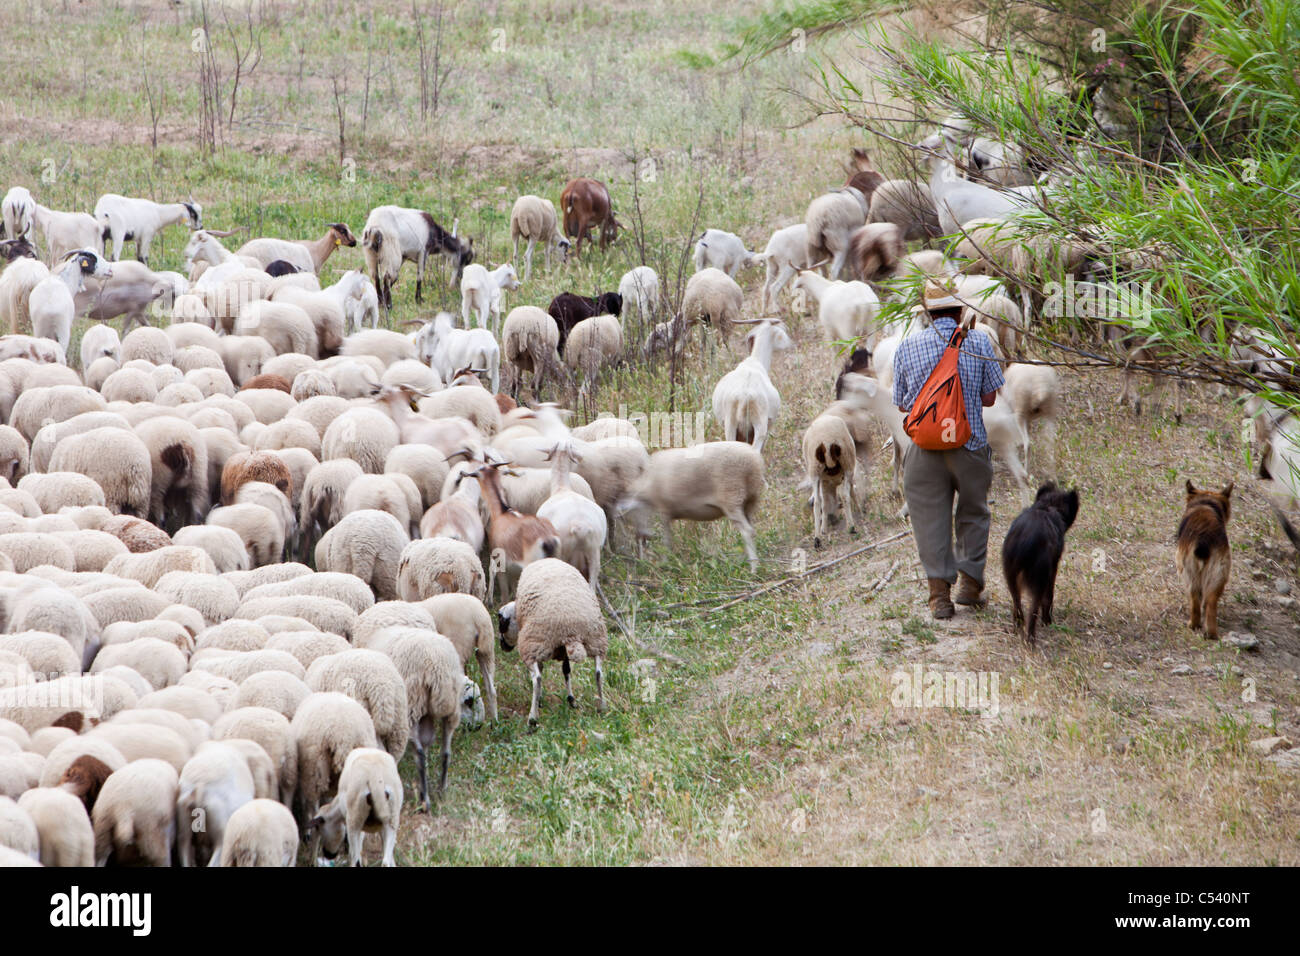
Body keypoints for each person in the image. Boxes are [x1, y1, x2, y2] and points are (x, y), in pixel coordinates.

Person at [893, 280, 1005, 619]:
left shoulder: (907, 347)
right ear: (959, 311)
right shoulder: (978, 342)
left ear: (926, 312)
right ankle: (969, 585)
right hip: (969, 444)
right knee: (973, 510)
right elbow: (989, 398)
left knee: (928, 517)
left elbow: (901, 404)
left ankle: (938, 596)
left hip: (924, 448)